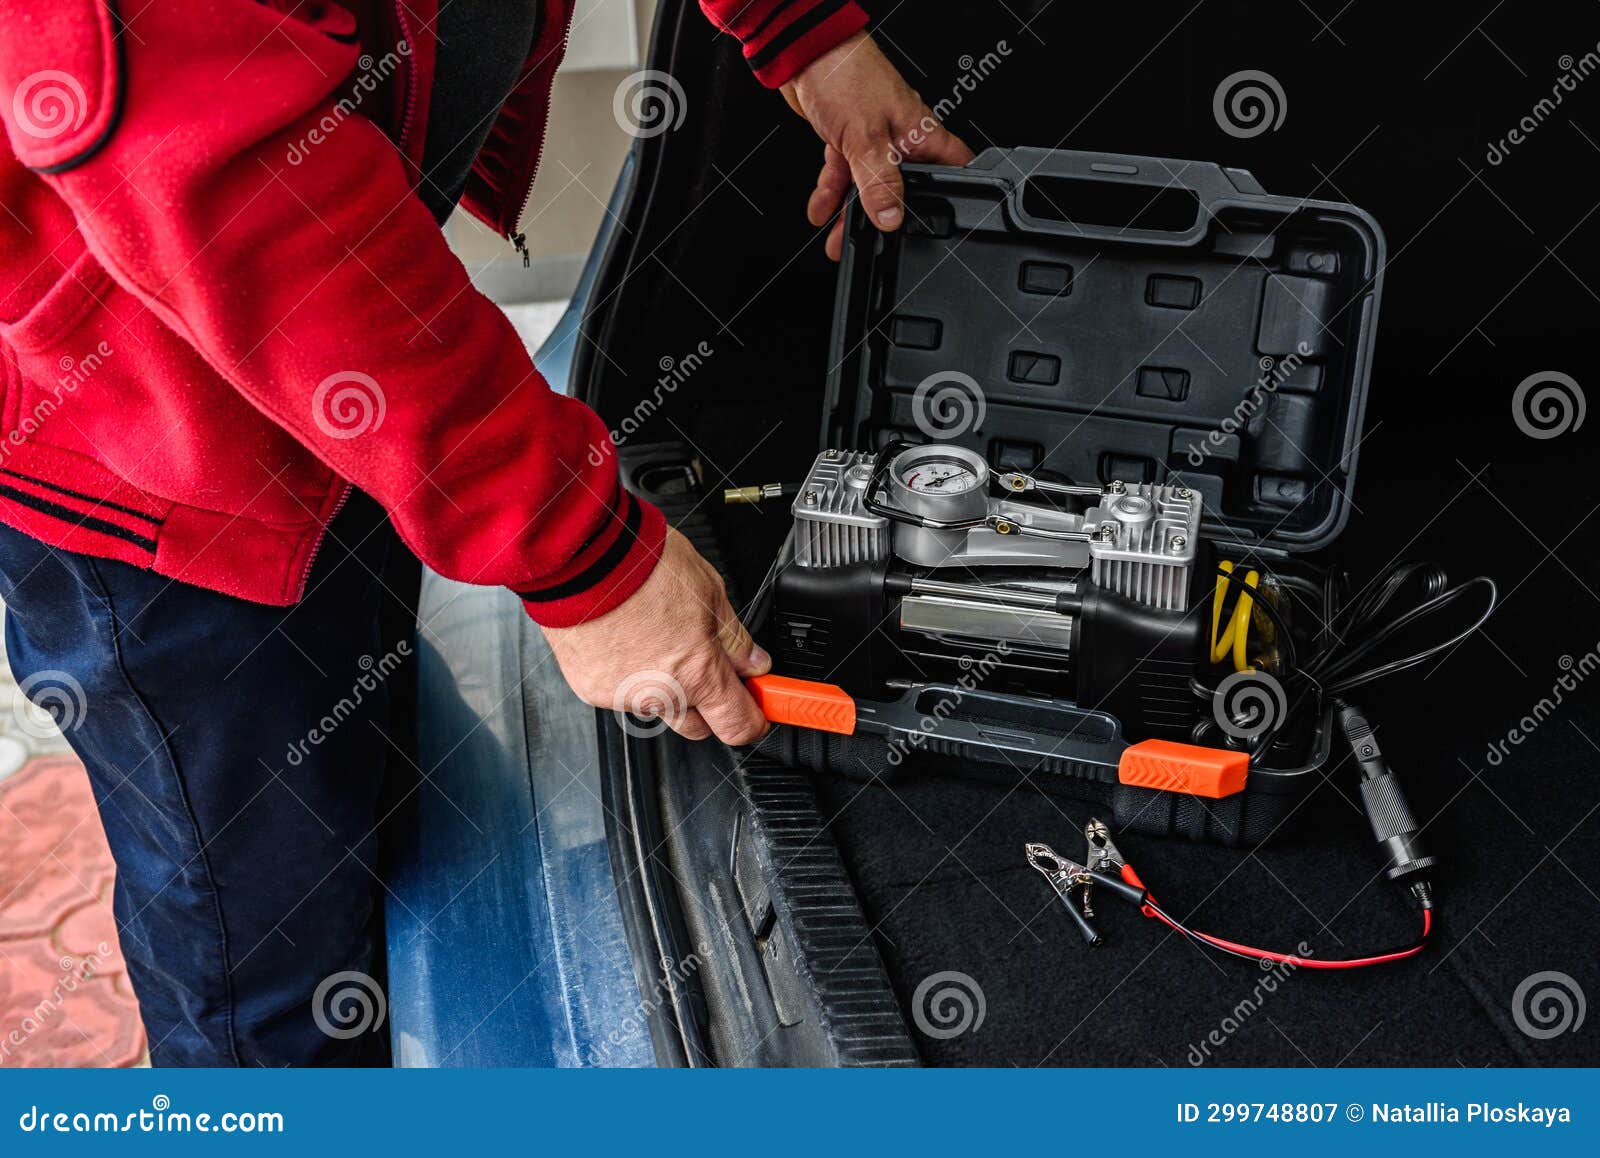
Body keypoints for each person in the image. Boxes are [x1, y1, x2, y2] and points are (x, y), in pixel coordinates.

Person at [0, 0, 971, 1065]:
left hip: (339, 376)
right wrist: (577, 553)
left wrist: (804, 35)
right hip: (157, 477)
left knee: (374, 796)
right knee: (266, 964)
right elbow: (218, 171)